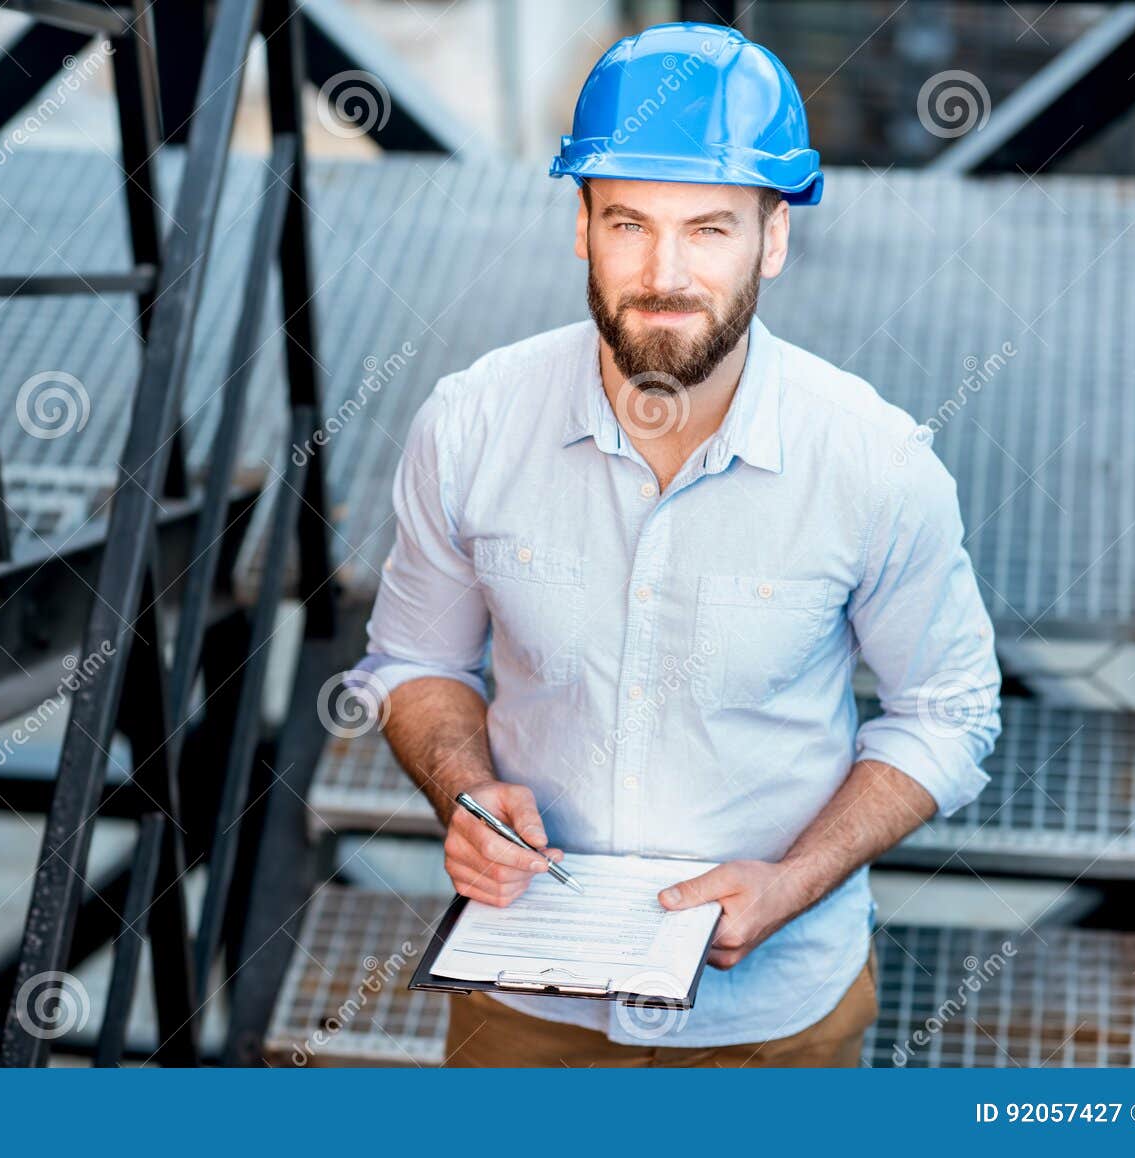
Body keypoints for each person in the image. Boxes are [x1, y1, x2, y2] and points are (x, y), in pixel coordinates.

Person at [354, 22, 1000, 1068]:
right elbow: (416, 664)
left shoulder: (876, 464)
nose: (663, 273)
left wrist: (792, 882)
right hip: (528, 1001)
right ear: (580, 226)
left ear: (772, 238)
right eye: (628, 224)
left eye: (708, 228)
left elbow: (950, 712)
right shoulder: (470, 424)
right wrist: (464, 790)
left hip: (773, 1024)